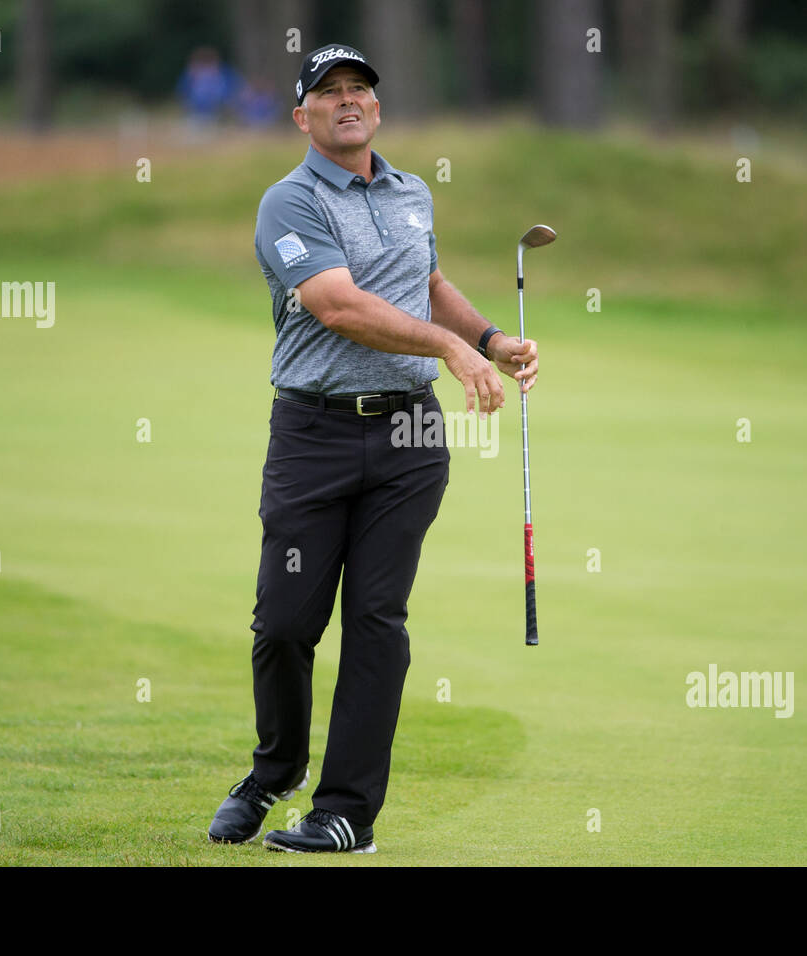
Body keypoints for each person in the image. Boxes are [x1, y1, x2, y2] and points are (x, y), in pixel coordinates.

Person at [207, 43, 540, 853]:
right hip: (313, 433)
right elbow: (338, 305)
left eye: (359, 89)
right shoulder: (286, 203)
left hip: (410, 436)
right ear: (303, 116)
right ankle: (275, 770)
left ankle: (345, 813)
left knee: (376, 620)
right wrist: (449, 352)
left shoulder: (410, 190)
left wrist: (489, 338)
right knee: (285, 623)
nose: (347, 101)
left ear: (377, 109)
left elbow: (423, 280)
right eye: (329, 93)